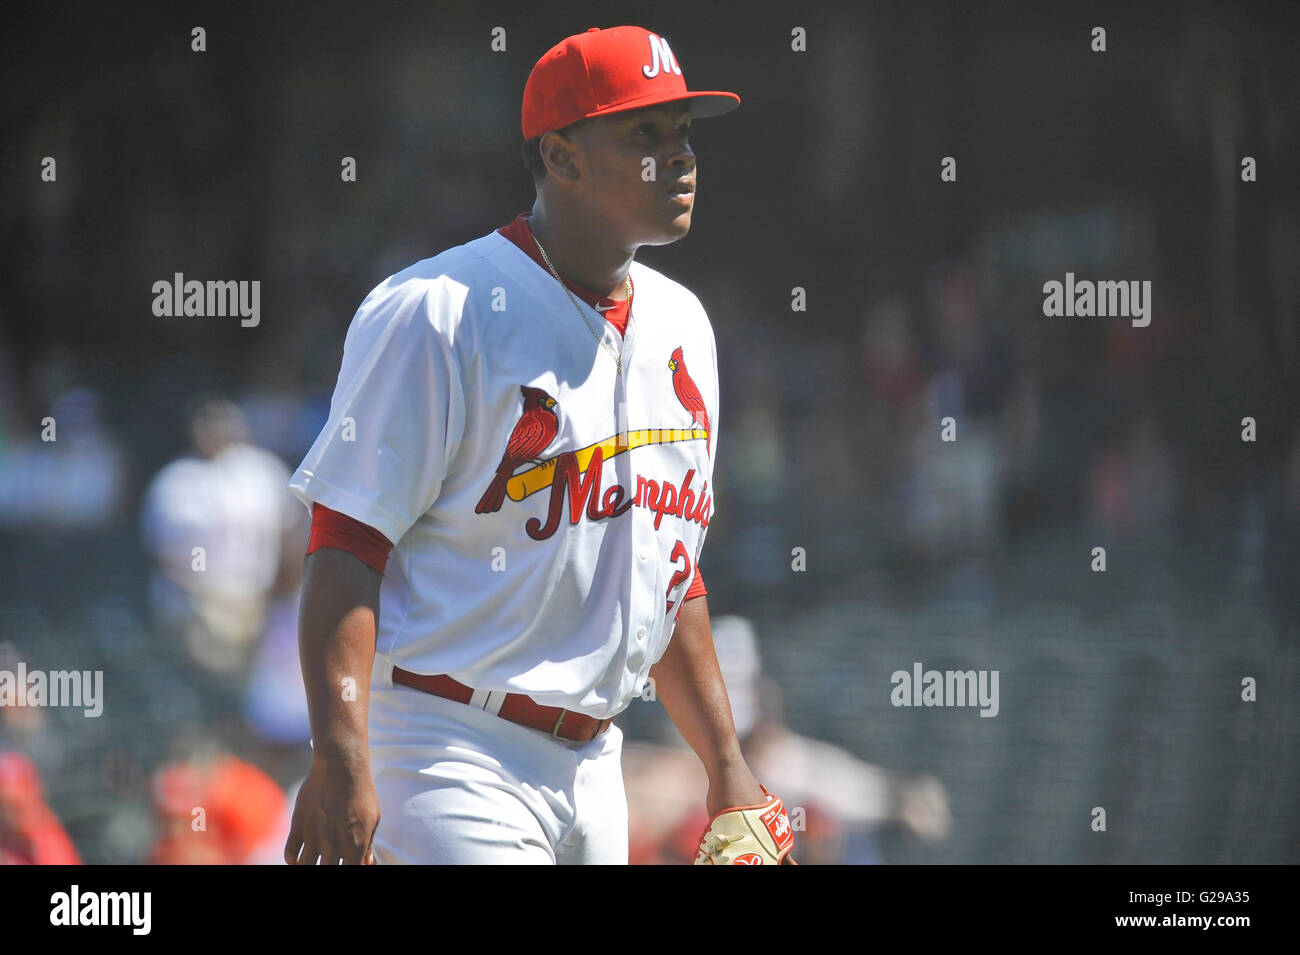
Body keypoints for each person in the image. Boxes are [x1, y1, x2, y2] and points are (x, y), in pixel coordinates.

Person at [284, 25, 781, 865]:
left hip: (598, 762)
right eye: (645, 134)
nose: (681, 157)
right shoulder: (439, 309)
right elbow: (345, 546)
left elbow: (672, 569)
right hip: (448, 748)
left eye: (685, 133)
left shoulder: (686, 326)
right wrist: (340, 752)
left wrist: (727, 764)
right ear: (562, 156)